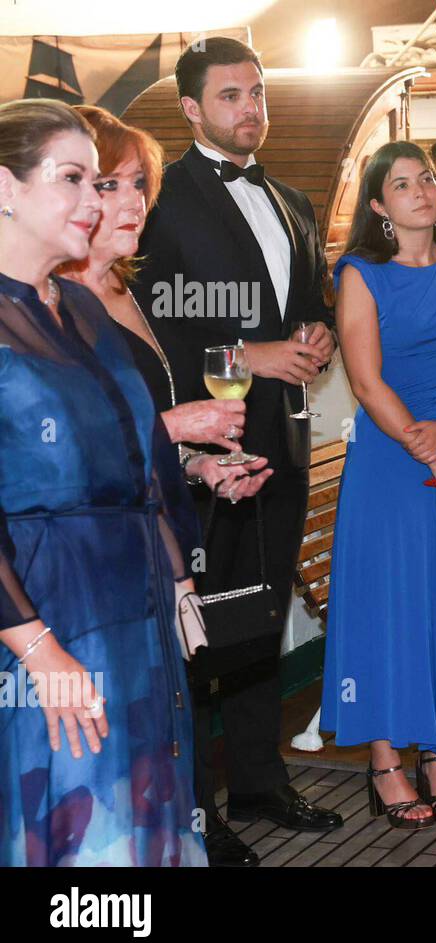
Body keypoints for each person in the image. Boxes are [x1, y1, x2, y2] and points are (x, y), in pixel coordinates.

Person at [132, 36, 342, 867]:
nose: (250, 108)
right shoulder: (160, 200)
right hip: (199, 449)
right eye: (230, 96)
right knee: (200, 627)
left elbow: (307, 304)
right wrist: (247, 357)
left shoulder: (290, 196)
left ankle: (259, 776)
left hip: (281, 443)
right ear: (191, 109)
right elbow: (159, 338)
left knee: (258, 615)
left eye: (257, 92)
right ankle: (194, 807)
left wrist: (316, 334)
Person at [0, 98, 206, 866]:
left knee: (147, 816)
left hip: (135, 610)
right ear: (4, 188)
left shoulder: (82, 304)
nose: (98, 201)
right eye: (74, 179)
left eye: (101, 181)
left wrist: (178, 577)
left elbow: (136, 456)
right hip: (43, 618)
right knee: (72, 825)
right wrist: (39, 651)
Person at [322, 141, 436, 828]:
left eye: (426, 178)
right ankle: (387, 760)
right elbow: (366, 381)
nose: (422, 191)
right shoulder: (361, 274)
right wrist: (428, 451)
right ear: (378, 205)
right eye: (402, 184)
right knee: (391, 606)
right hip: (390, 461)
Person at [59, 106, 272, 507]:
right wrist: (175, 426)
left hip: (160, 526)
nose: (134, 202)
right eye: (110, 185)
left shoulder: (137, 289)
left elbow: (142, 431)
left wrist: (197, 464)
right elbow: (53, 447)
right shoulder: (47, 302)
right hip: (88, 539)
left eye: (139, 183)